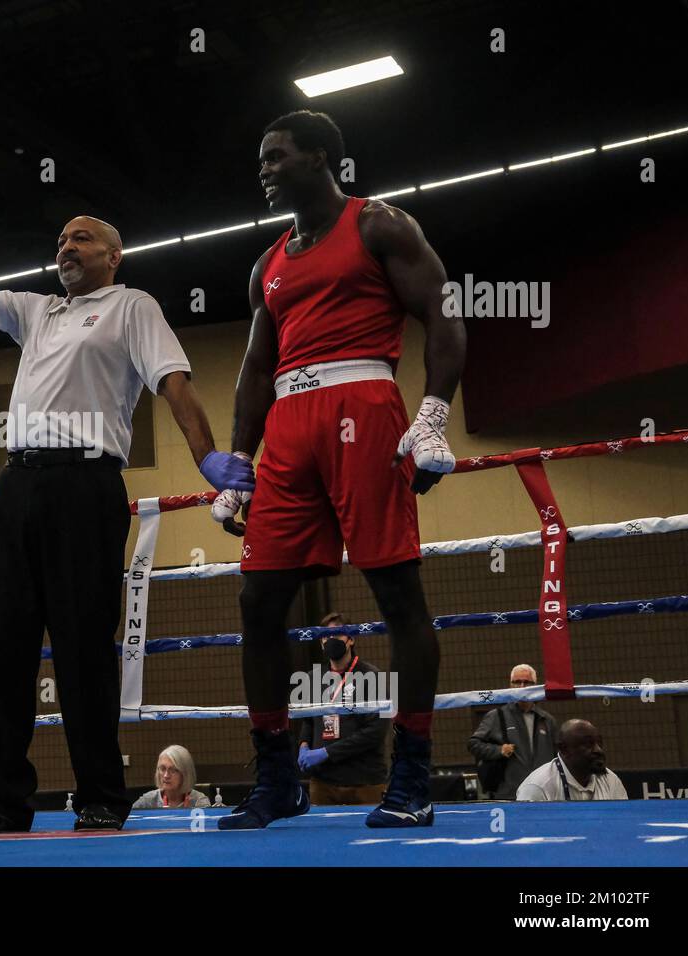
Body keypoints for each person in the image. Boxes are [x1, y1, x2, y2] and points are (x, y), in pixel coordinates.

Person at [0, 213, 248, 833]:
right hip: (16, 484)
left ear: (114, 256)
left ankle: (100, 795)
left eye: (82, 239)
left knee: (83, 645)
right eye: (61, 241)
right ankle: (1, 800)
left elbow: (174, 384)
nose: (67, 247)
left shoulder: (132, 307)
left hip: (86, 484)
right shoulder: (35, 310)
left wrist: (206, 456)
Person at [215, 110, 466, 831]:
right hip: (290, 427)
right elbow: (256, 367)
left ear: (320, 157)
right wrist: (239, 463)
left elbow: (444, 316)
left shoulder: (380, 225)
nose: (263, 169)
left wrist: (433, 416)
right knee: (259, 601)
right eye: (260, 159)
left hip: (365, 404)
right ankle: (276, 778)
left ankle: (413, 775)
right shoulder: (268, 263)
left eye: (276, 156)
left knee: (396, 592)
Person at [297, 614, 389, 805]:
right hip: (322, 784)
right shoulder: (310, 678)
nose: (329, 640)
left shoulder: (376, 676)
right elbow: (307, 721)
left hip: (365, 783)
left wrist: (327, 752)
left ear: (351, 639)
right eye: (324, 636)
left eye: (335, 634)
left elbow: (376, 732)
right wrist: (303, 745)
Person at [467, 664, 557, 799]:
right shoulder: (497, 716)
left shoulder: (547, 720)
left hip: (544, 794)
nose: (522, 687)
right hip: (508, 794)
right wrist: (498, 750)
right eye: (517, 682)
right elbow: (473, 744)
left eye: (526, 682)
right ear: (510, 685)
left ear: (535, 685)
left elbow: (558, 756)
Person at [516, 719, 628, 801]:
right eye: (588, 744)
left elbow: (623, 826)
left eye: (599, 743)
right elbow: (526, 832)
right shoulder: (537, 787)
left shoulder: (611, 780)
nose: (598, 750)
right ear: (564, 750)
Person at [132, 745, 212, 809]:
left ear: (185, 773)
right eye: (162, 769)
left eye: (173, 770)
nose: (166, 775)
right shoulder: (148, 801)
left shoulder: (199, 801)